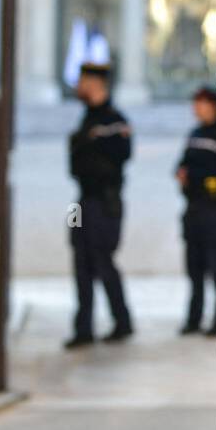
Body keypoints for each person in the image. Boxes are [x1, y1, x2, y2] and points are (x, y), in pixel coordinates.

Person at [65, 61, 133, 348]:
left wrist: (89, 149)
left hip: (104, 202)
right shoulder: (86, 119)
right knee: (81, 263)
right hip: (82, 201)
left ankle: (122, 321)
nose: (79, 87)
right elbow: (76, 164)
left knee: (103, 262)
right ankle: (84, 329)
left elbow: (114, 161)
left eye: (83, 82)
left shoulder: (114, 121)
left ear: (96, 85)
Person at [175, 86, 216, 337]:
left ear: (214, 106)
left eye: (201, 104)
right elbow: (181, 167)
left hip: (215, 212)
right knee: (194, 269)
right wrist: (191, 176)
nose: (196, 109)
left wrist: (194, 176)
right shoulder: (194, 134)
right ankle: (194, 319)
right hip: (193, 212)